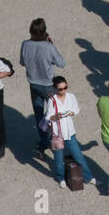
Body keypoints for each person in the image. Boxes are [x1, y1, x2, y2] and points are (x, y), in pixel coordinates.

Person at [21, 17, 67, 152]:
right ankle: (57, 140)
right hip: (49, 86)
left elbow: (23, 62)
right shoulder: (49, 47)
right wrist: (52, 45)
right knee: (55, 114)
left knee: (39, 115)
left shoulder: (25, 44)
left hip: (33, 84)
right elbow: (61, 63)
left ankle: (43, 142)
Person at [44, 74, 97, 187]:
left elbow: (76, 109)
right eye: (60, 89)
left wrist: (72, 113)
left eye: (65, 87)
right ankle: (60, 178)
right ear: (55, 88)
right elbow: (48, 117)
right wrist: (55, 117)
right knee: (58, 159)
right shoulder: (52, 100)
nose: (63, 91)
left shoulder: (71, 97)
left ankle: (88, 177)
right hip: (58, 134)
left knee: (78, 156)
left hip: (70, 132)